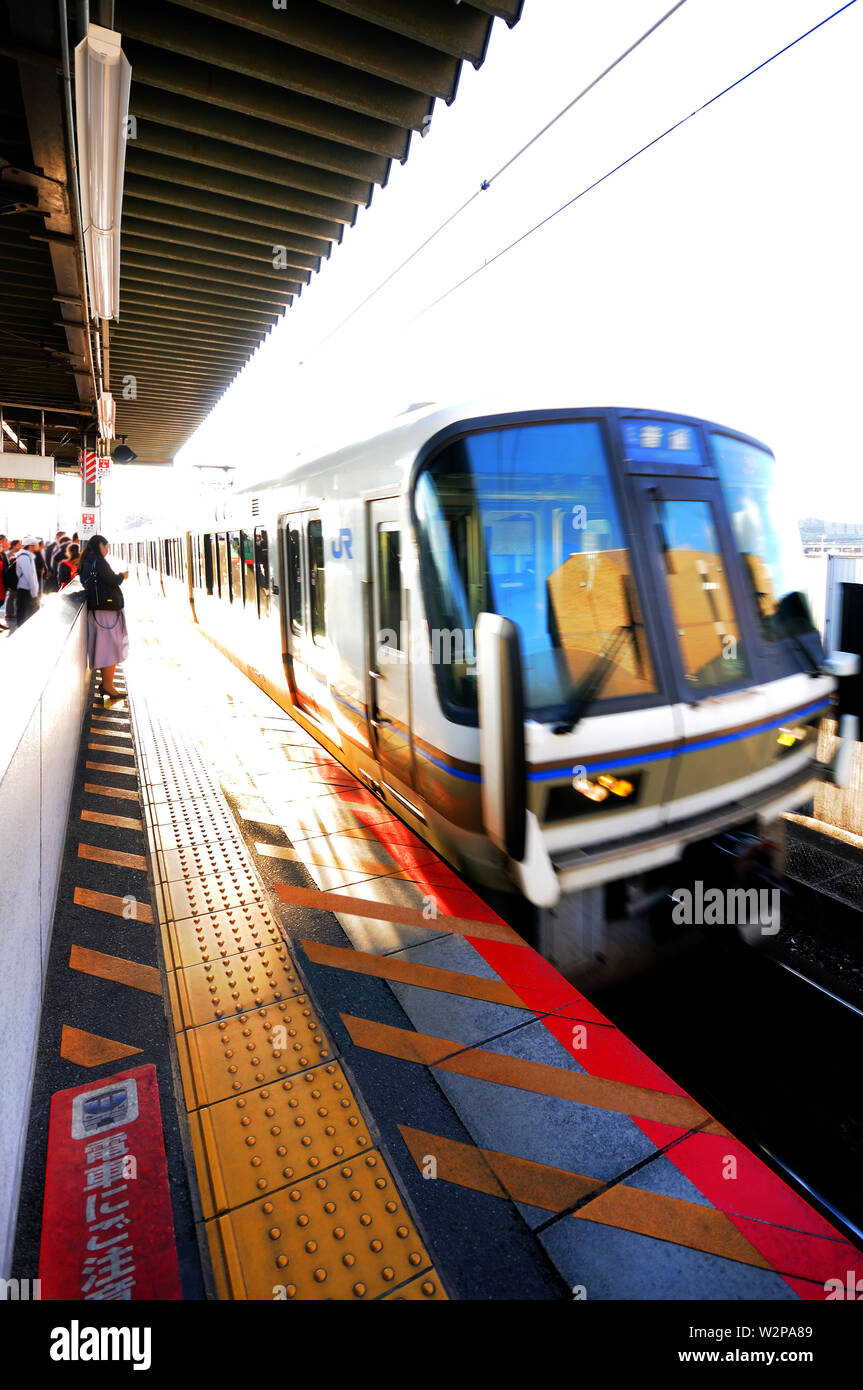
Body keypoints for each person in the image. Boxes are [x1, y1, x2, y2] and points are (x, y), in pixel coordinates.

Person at [79, 535, 129, 700]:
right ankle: (108, 686)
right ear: (100, 545)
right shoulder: (99, 561)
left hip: (97, 609)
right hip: (106, 612)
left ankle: (107, 685)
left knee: (104, 647)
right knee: (110, 647)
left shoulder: (86, 560)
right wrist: (122, 576)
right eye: (106, 546)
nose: (107, 550)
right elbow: (112, 579)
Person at [14, 537, 40, 625]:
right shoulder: (24, 557)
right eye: (36, 544)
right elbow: (29, 576)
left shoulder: (27, 556)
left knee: (24, 612)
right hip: (25, 589)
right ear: (30, 546)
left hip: (26, 589)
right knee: (24, 613)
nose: (38, 546)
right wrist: (34, 593)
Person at [2, 539, 21, 626]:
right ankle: (9, 614)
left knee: (11, 597)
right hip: (10, 579)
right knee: (11, 596)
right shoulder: (10, 553)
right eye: (19, 544)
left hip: (9, 578)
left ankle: (10, 614)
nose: (20, 545)